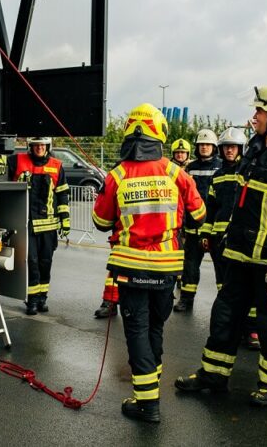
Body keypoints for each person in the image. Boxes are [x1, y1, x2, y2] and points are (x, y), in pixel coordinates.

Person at [175, 85, 267, 406]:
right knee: (224, 315)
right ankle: (214, 374)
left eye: (260, 111)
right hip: (239, 255)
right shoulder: (257, 149)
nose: (254, 116)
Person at [92, 103, 205, 423]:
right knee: (155, 327)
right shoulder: (176, 173)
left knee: (138, 331)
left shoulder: (117, 174)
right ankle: (150, 390)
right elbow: (200, 215)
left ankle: (147, 403)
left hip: (130, 268)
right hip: (167, 268)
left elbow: (100, 221)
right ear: (160, 135)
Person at [93, 136, 195, 319]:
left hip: (160, 242)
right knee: (153, 321)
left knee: (139, 321)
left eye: (183, 152)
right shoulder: (169, 170)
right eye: (177, 152)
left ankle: (171, 295)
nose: (180, 155)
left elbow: (101, 222)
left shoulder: (176, 172)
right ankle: (109, 301)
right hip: (140, 243)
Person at [202, 127, 259, 349]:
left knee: (246, 286)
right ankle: (231, 328)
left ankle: (251, 330)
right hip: (219, 240)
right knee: (223, 286)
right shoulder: (217, 176)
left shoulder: (248, 173)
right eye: (225, 147)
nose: (229, 151)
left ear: (241, 149)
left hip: (241, 239)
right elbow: (211, 207)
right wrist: (206, 233)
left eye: (233, 147)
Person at [7, 137, 70, 315]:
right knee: (32, 262)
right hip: (27, 224)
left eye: (43, 145)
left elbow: (63, 194)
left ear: (48, 146)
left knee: (45, 262)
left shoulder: (57, 165)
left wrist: (65, 220)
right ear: (31, 146)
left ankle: (43, 298)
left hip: (49, 226)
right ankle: (32, 300)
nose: (40, 148)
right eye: (36, 145)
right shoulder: (18, 160)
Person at [174, 129, 222, 312]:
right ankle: (186, 299)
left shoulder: (221, 167)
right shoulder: (190, 167)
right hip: (193, 227)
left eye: (208, 145)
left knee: (221, 269)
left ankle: (223, 304)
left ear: (214, 147)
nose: (204, 148)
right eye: (201, 145)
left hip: (214, 228)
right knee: (190, 266)